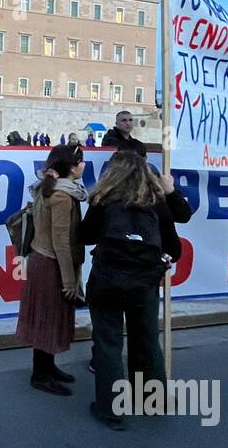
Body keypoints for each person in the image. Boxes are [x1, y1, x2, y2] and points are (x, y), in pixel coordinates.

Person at [80, 151, 193, 429]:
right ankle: (151, 402)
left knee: (108, 343)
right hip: (143, 282)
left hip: (107, 278)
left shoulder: (103, 199)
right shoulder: (156, 202)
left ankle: (111, 409)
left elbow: (84, 236)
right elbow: (174, 247)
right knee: (146, 341)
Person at [16, 143, 88, 396]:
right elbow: (61, 241)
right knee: (47, 319)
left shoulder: (50, 189)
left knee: (46, 318)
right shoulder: (62, 196)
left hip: (42, 259)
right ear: (71, 167)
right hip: (51, 264)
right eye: (81, 162)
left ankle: (47, 368)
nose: (84, 165)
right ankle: (41, 374)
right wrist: (70, 280)